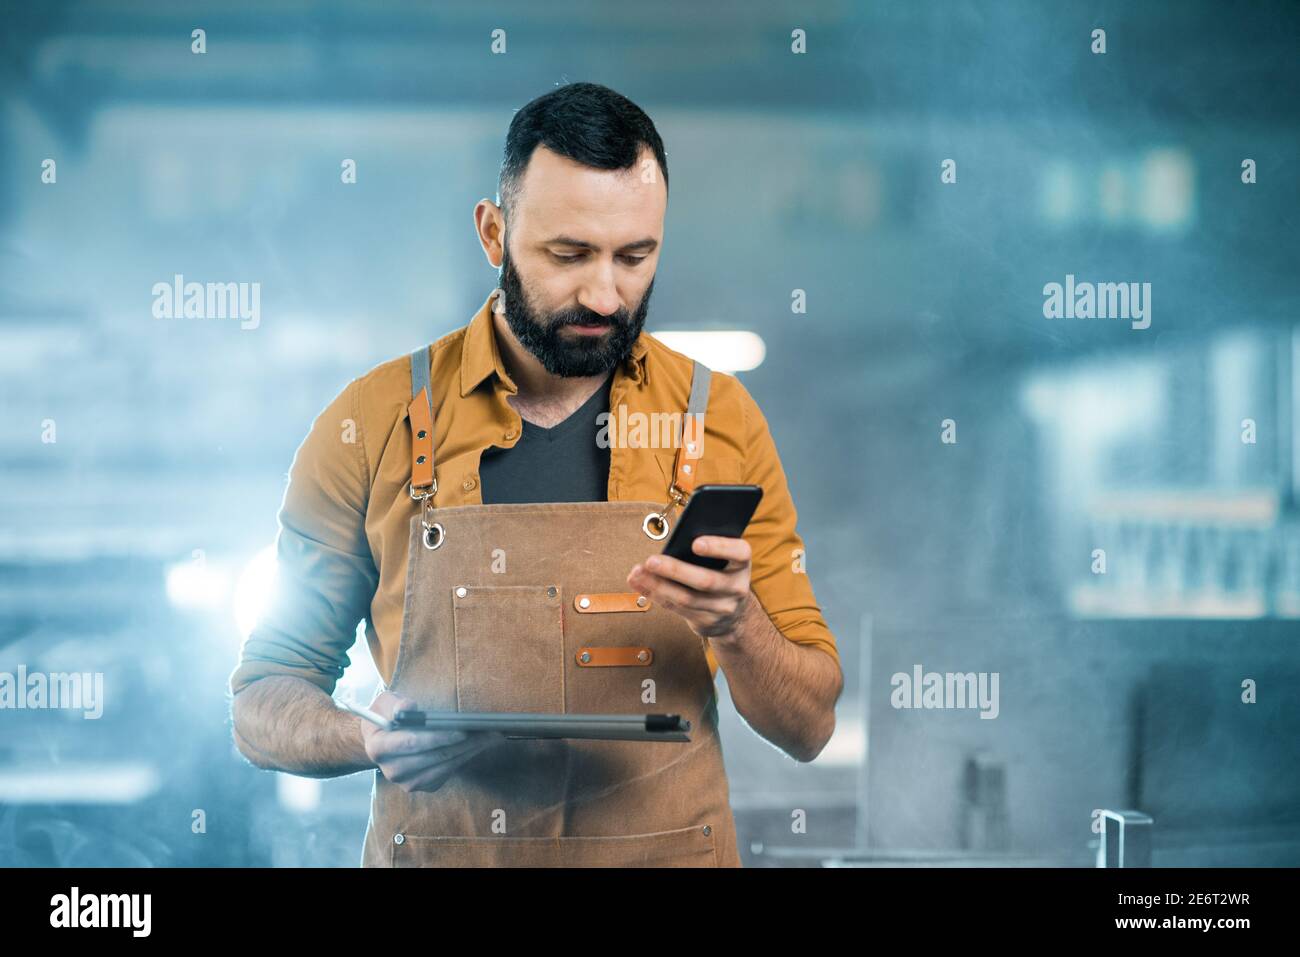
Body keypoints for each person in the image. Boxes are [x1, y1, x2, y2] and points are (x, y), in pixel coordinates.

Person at [229, 81, 842, 867]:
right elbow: (260, 701)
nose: (604, 293)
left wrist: (738, 624)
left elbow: (811, 725)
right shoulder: (371, 422)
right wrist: (362, 735)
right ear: (494, 233)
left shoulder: (720, 419)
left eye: (635, 256)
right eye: (568, 254)